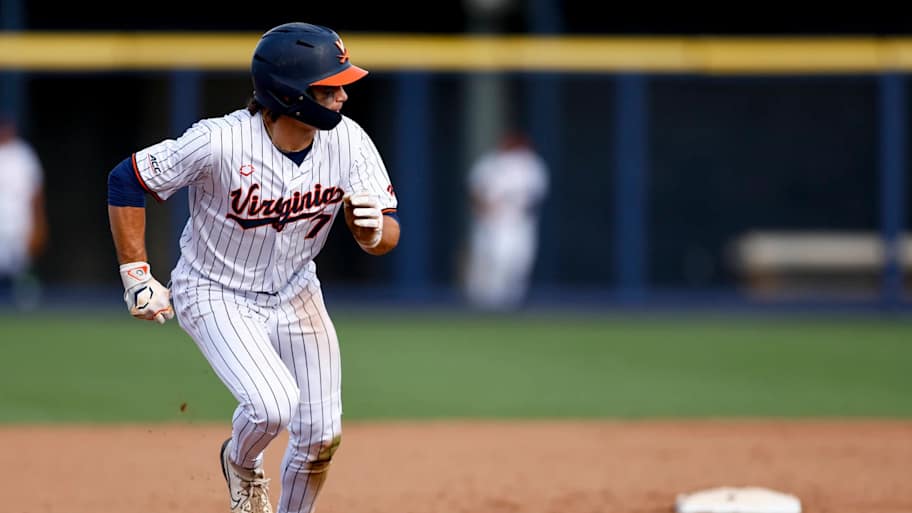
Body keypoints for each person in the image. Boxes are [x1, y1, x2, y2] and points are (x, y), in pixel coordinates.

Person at [106, 22, 400, 513]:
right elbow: (127, 178)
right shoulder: (219, 141)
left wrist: (373, 234)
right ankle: (241, 462)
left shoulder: (349, 141)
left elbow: (388, 233)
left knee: (321, 436)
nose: (343, 95)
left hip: (296, 291)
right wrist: (136, 273)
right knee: (271, 406)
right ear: (289, 93)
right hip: (214, 290)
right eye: (329, 87)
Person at [462, 130, 549, 310]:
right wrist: (484, 208)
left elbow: (535, 197)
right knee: (490, 266)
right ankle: (483, 309)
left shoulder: (532, 165)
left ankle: (511, 309)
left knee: (518, 265)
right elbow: (474, 190)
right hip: (491, 223)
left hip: (519, 223)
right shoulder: (490, 163)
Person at [0, 113, 48, 310]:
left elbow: (36, 192)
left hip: (20, 220)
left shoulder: (23, 154)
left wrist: (39, 223)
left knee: (23, 265)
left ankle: (27, 306)